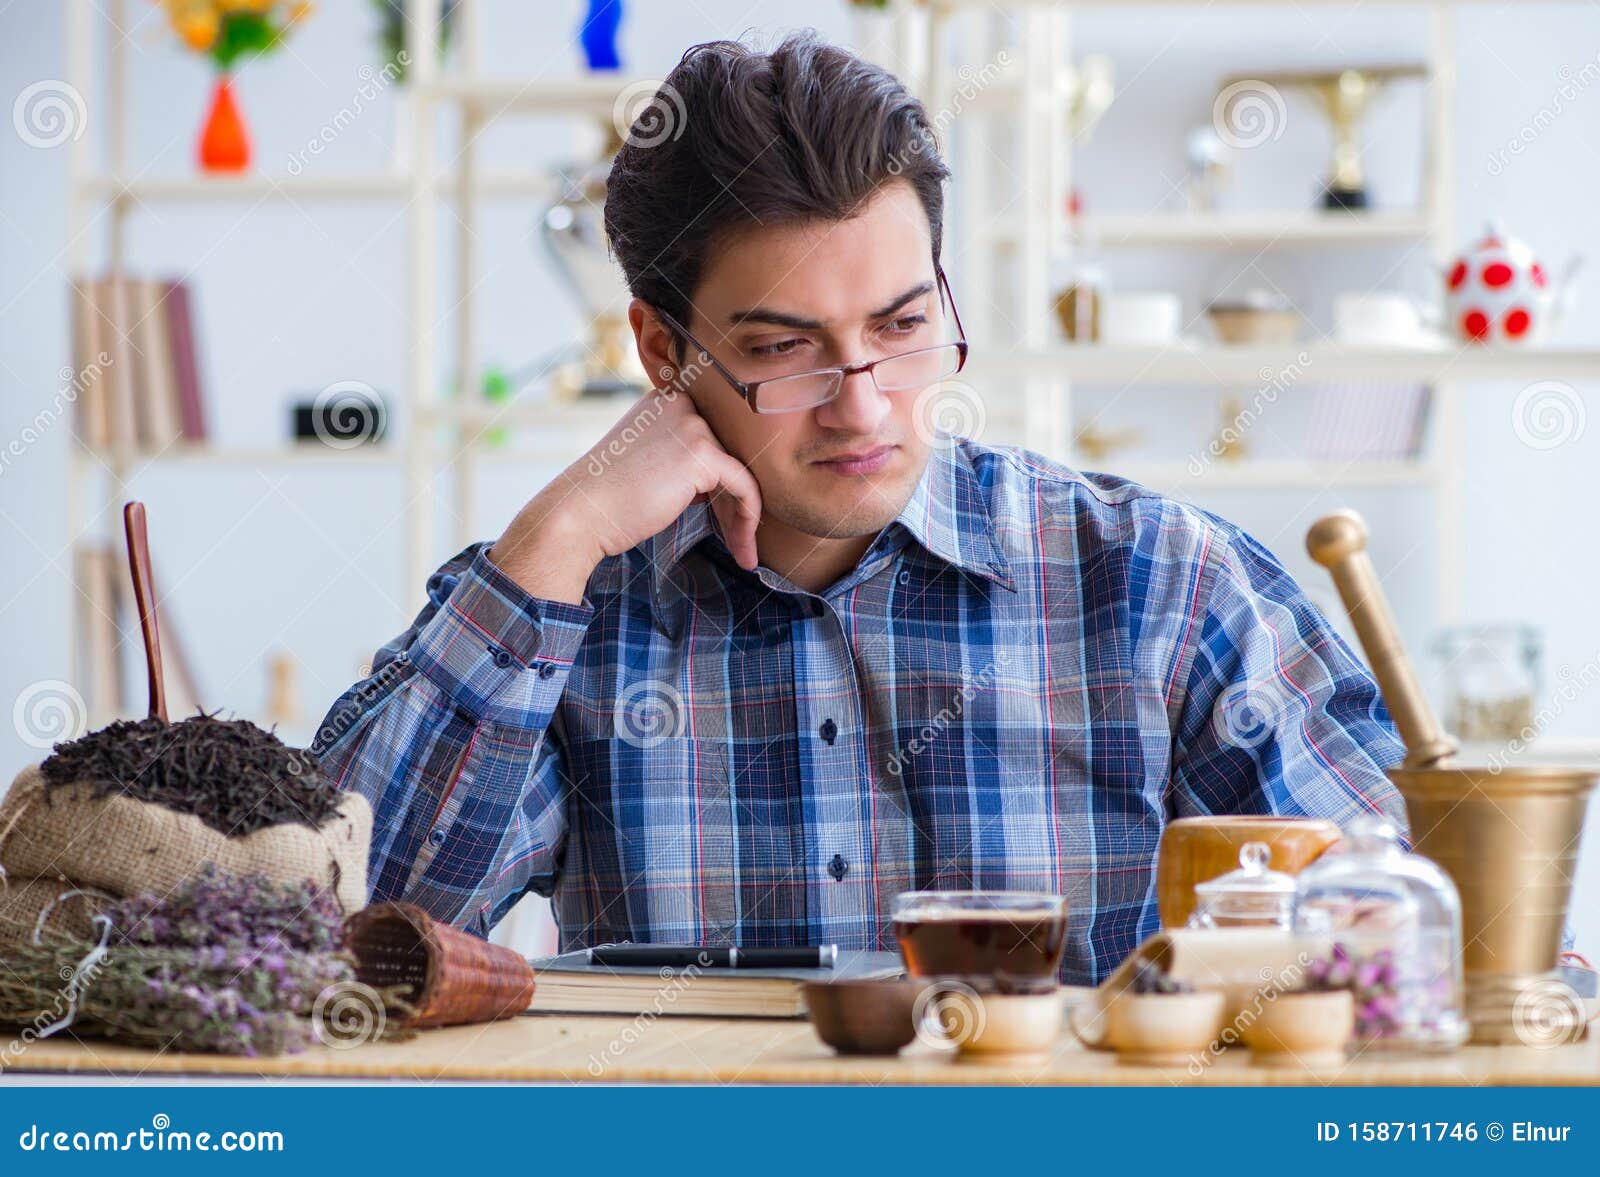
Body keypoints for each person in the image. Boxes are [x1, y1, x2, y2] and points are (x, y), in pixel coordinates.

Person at [314, 33, 1405, 984]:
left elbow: (1401, 949)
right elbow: (328, 947)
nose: (863, 407)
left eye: (900, 325)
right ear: (660, 350)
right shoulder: (567, 607)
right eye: (783, 349)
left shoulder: (1165, 585)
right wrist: (558, 535)